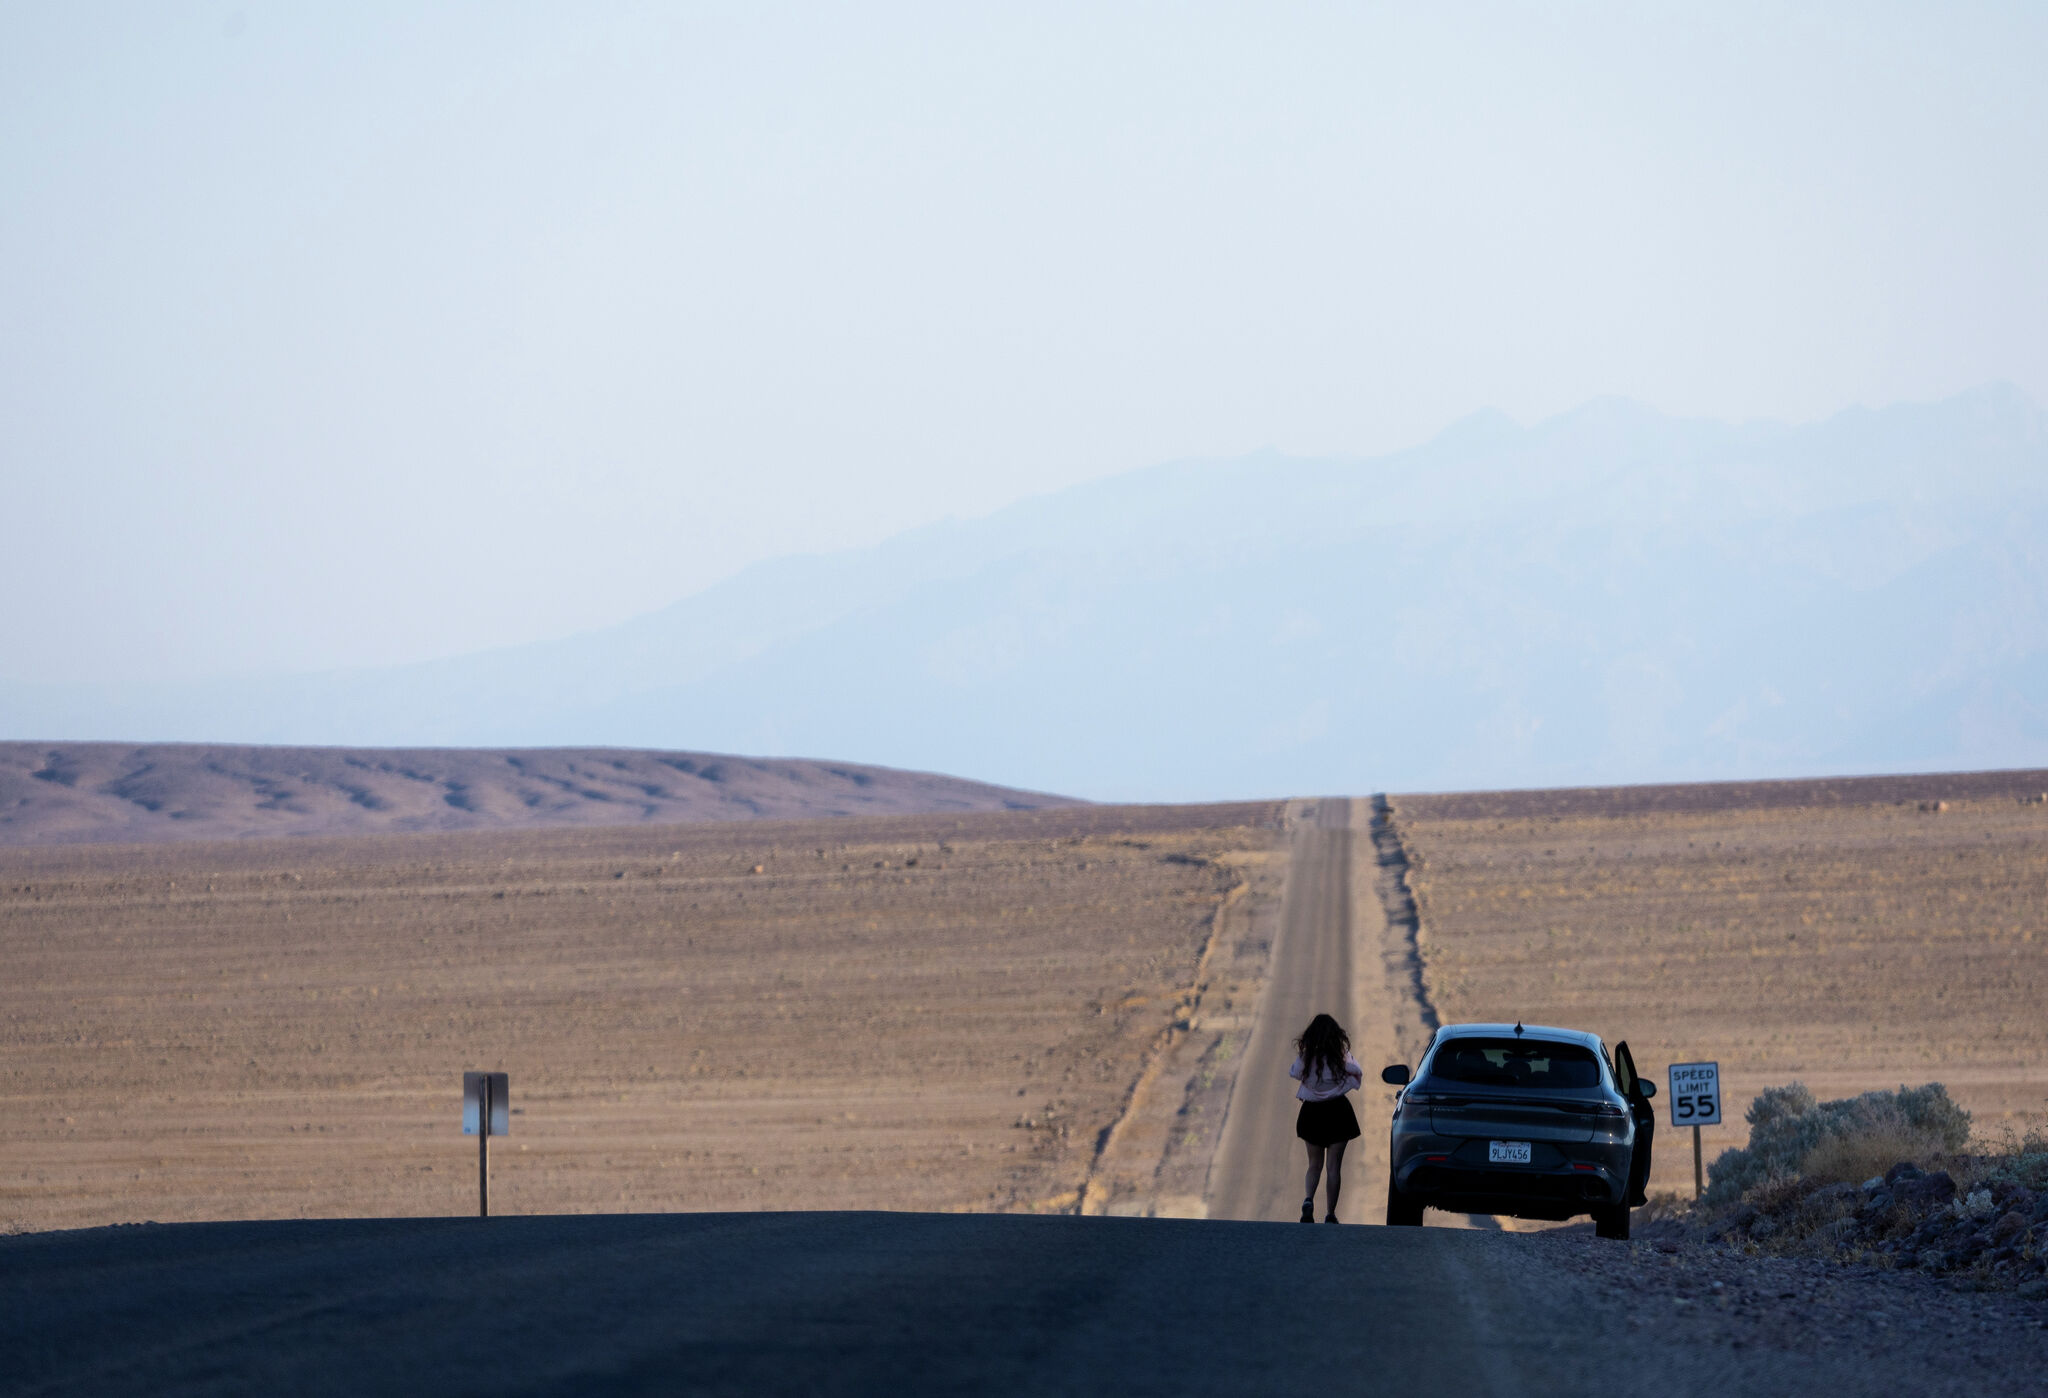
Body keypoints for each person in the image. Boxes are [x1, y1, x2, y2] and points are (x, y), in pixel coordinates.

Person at [1289, 1012, 1363, 1222]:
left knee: (1314, 1164)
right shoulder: (1340, 1056)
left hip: (1312, 1113)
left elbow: (1294, 1072)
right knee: (1333, 1167)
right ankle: (1330, 1214)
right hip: (1338, 1113)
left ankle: (1308, 1199)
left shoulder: (1307, 1058)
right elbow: (1357, 1070)